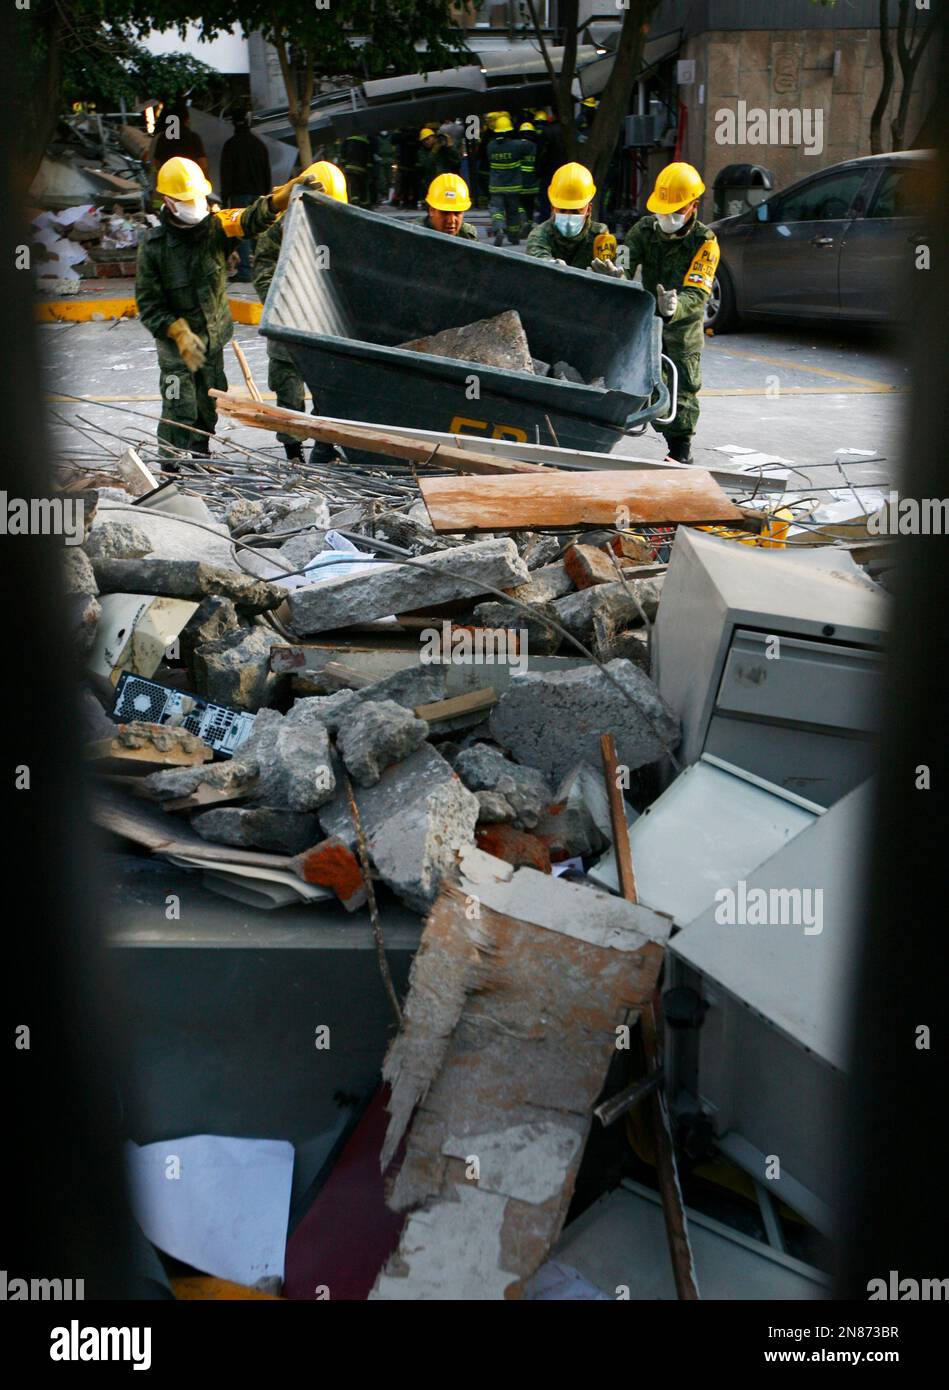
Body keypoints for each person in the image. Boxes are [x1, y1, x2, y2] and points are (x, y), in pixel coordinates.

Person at [135, 156, 315, 465]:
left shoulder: (215, 228)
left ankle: (199, 454)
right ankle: (170, 466)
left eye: (200, 197)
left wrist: (276, 202)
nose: (198, 204)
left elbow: (248, 220)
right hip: (176, 347)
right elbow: (149, 305)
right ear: (169, 202)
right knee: (180, 404)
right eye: (189, 200)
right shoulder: (154, 248)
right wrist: (177, 331)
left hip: (212, 339)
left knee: (208, 402)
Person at [252, 161, 349, 464]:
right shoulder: (281, 229)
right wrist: (284, 301)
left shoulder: (343, 229)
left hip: (325, 327)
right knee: (289, 397)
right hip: (288, 330)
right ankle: (293, 454)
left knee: (329, 394)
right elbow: (263, 270)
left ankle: (324, 449)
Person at [622, 162, 719, 464]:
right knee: (640, 384)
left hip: (682, 331)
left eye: (676, 210)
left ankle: (680, 454)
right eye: (664, 210)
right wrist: (615, 271)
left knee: (683, 393)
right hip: (648, 324)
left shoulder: (705, 242)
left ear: (693, 206)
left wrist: (677, 307)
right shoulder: (645, 230)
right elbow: (627, 256)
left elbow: (699, 291)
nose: (668, 217)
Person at [525, 162, 621, 275]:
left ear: (589, 209)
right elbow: (538, 257)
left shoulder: (601, 235)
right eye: (562, 210)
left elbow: (622, 267)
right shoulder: (539, 234)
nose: (569, 216)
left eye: (576, 210)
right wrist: (550, 265)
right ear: (553, 208)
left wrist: (614, 275)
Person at [219, 110, 272, 282]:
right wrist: (267, 197)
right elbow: (266, 173)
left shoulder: (230, 145)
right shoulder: (259, 145)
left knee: (241, 231)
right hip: (259, 194)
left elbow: (225, 174)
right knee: (258, 230)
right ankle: (261, 269)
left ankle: (244, 271)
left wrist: (224, 198)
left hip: (238, 195)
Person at [486, 115, 529, 247]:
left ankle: (499, 229)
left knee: (496, 210)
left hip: (496, 187)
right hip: (513, 186)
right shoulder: (516, 145)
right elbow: (528, 149)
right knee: (513, 212)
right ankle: (514, 236)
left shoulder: (491, 146)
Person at [150, 101, 209, 180]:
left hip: (168, 183)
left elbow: (155, 164)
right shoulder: (193, 137)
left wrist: (154, 174)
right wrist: (206, 179)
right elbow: (203, 164)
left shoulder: (162, 138)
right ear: (186, 119)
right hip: (190, 183)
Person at [415, 173, 478, 239]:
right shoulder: (414, 234)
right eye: (445, 212)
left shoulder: (467, 234)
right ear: (431, 210)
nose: (451, 221)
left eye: (457, 213)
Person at [418, 126, 460, 200]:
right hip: (432, 182)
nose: (426, 142)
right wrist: (434, 151)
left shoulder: (444, 149)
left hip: (447, 181)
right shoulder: (422, 152)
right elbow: (426, 165)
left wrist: (450, 147)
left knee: (449, 201)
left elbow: (457, 161)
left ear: (434, 138)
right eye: (424, 140)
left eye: (428, 139)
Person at [340, 131, 373, 206]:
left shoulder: (347, 140)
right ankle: (364, 202)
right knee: (362, 185)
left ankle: (354, 201)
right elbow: (369, 156)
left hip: (350, 167)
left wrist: (343, 163)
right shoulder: (365, 141)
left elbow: (343, 153)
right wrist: (369, 167)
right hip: (362, 168)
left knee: (353, 185)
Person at [518, 121, 539, 228]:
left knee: (519, 203)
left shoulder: (516, 146)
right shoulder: (536, 147)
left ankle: (523, 220)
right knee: (530, 205)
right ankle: (529, 223)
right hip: (533, 184)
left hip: (520, 182)